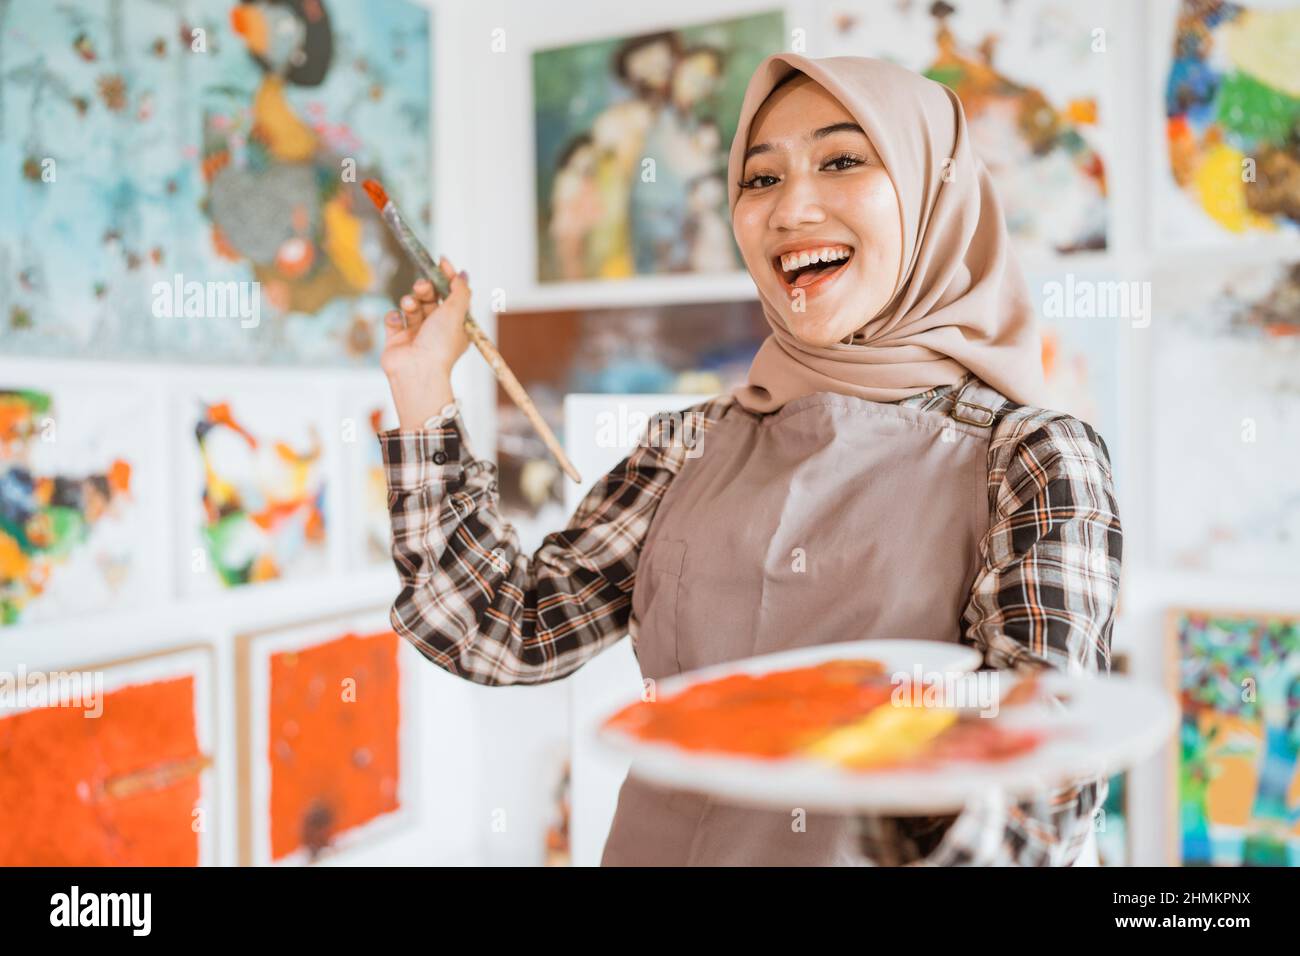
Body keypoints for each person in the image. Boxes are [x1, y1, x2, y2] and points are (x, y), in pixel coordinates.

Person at [376, 53, 1121, 866]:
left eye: (843, 160)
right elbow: (499, 632)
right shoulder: (684, 444)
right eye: (760, 179)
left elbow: (1037, 783)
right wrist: (421, 390)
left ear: (932, 194)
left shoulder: (1034, 457)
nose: (792, 206)